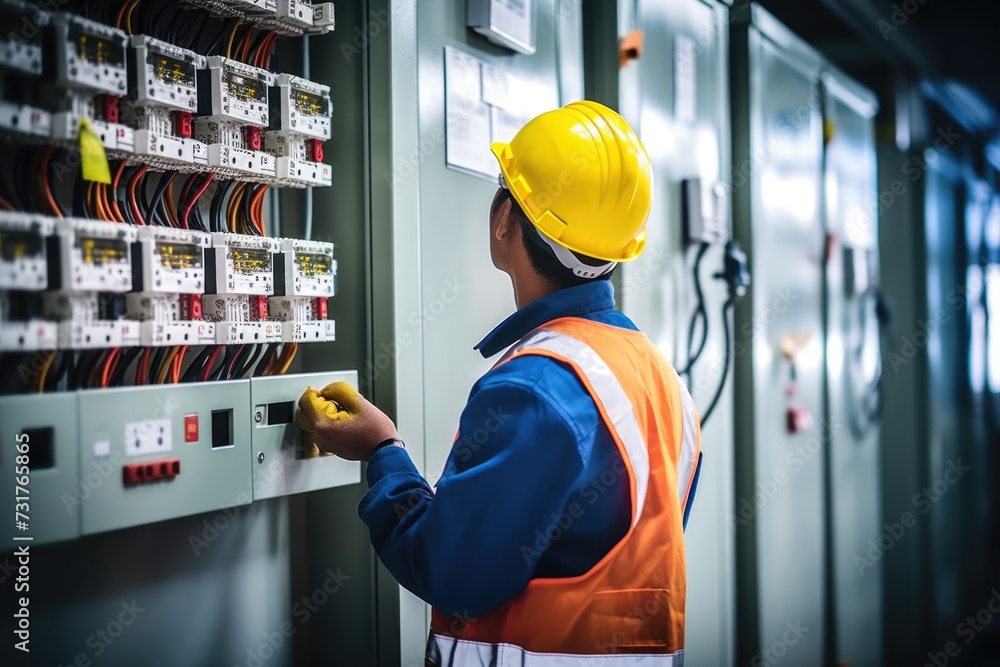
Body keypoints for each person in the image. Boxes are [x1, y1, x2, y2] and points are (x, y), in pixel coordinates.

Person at [298, 100, 702, 665]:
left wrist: (382, 451)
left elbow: (449, 569)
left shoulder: (536, 386)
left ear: (504, 220)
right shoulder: (659, 377)